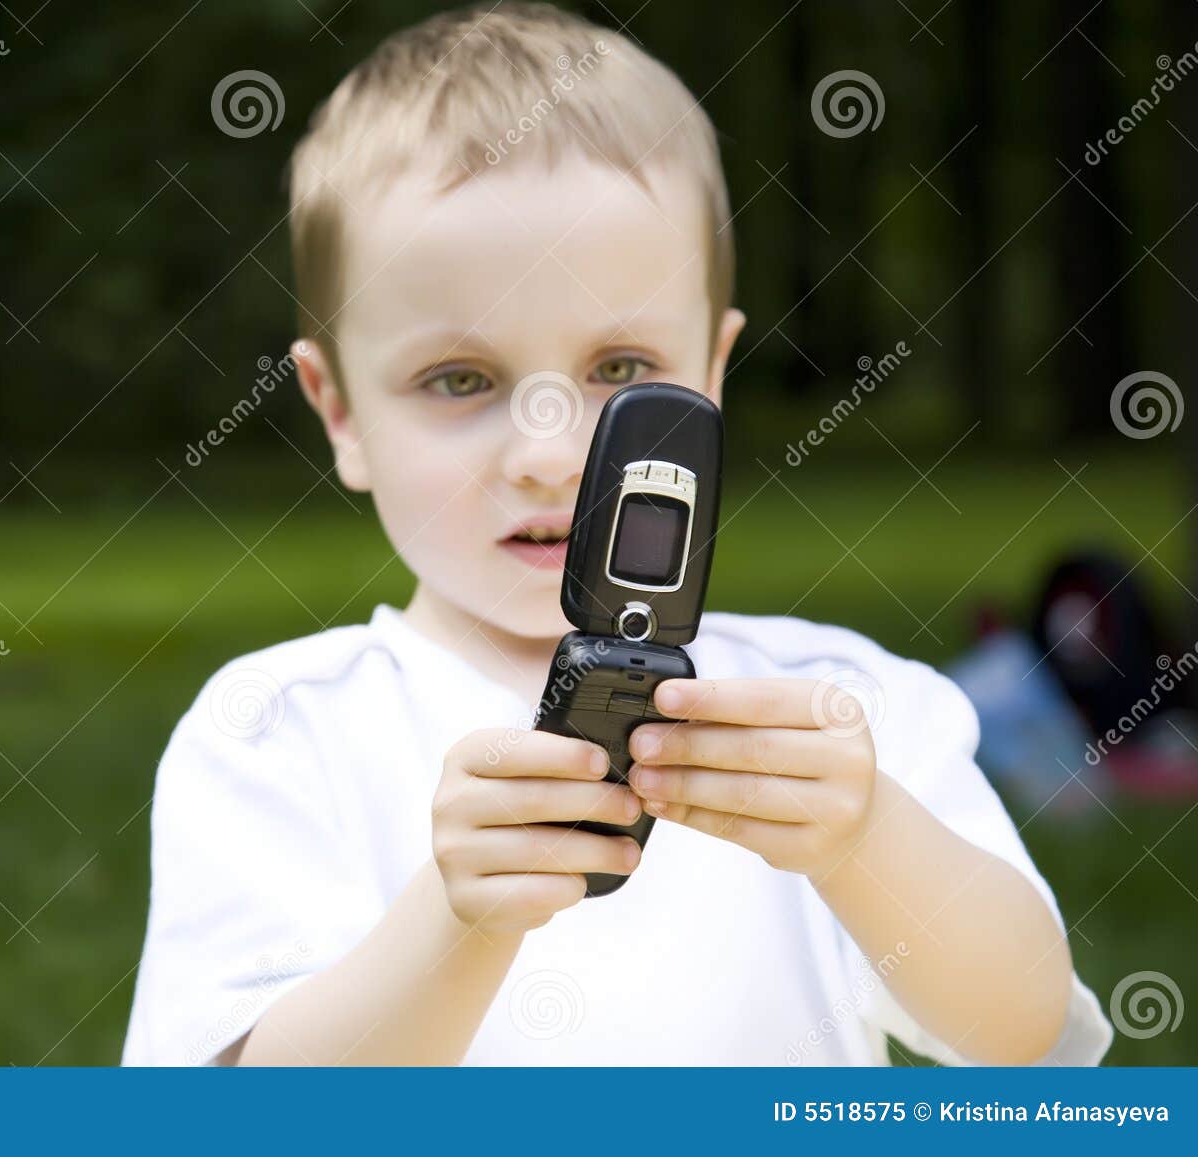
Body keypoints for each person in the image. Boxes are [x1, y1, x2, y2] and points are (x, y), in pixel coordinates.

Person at [120, 1, 1113, 1066]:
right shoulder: (278, 734)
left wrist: (866, 839)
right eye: (459, 379)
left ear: (712, 377)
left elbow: (1024, 1036)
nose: (550, 452)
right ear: (342, 412)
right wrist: (455, 922)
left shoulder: (838, 707)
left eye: (623, 373)